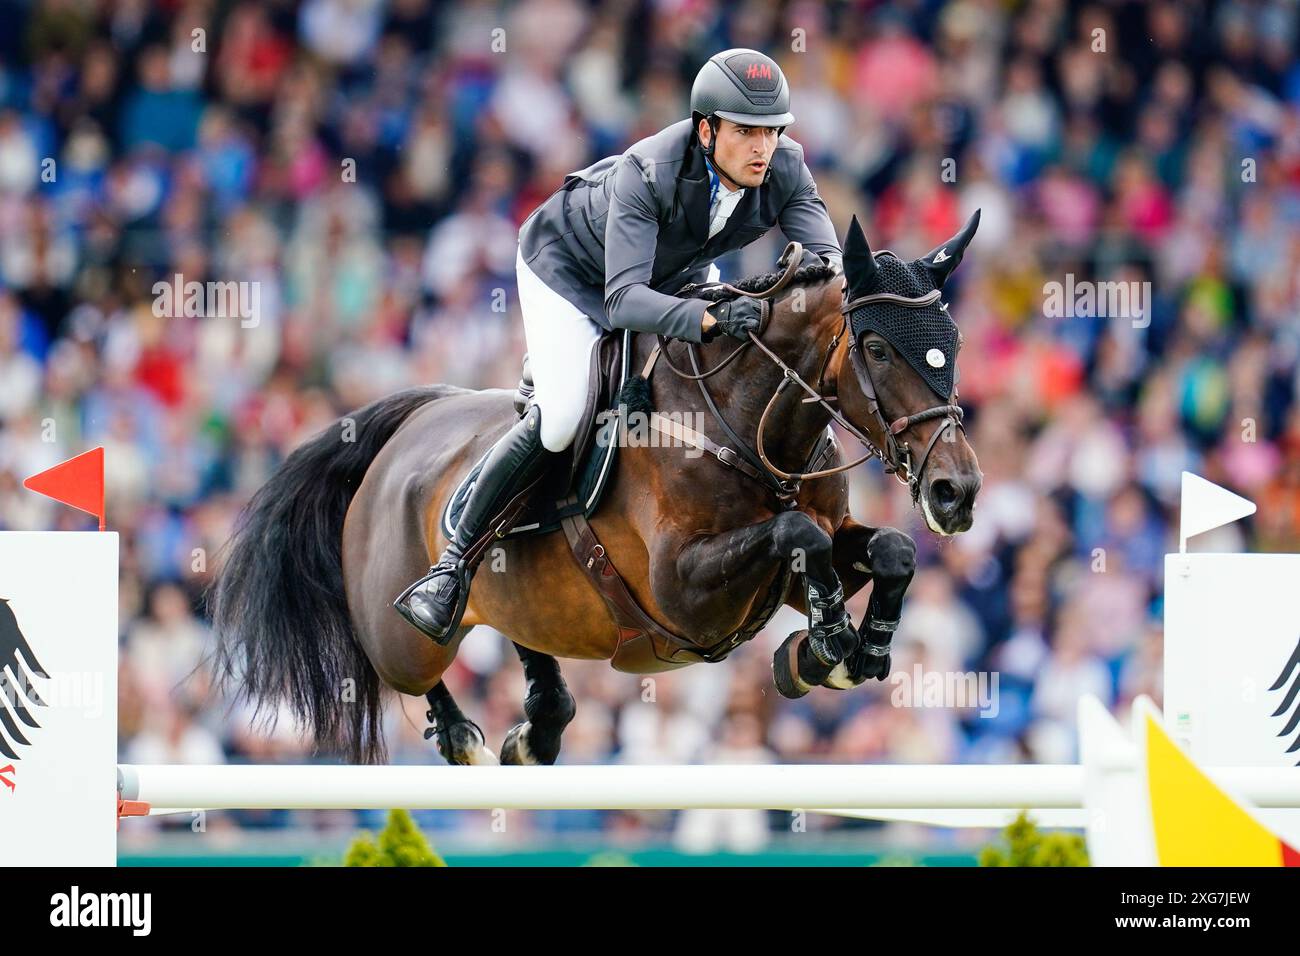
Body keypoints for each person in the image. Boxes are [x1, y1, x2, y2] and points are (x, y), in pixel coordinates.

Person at [394, 48, 845, 643]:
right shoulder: (647, 171)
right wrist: (709, 322)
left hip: (673, 273)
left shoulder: (786, 168)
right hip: (571, 271)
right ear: (706, 129)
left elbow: (830, 271)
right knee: (562, 416)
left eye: (771, 132)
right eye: (745, 132)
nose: (762, 148)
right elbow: (624, 303)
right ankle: (453, 566)